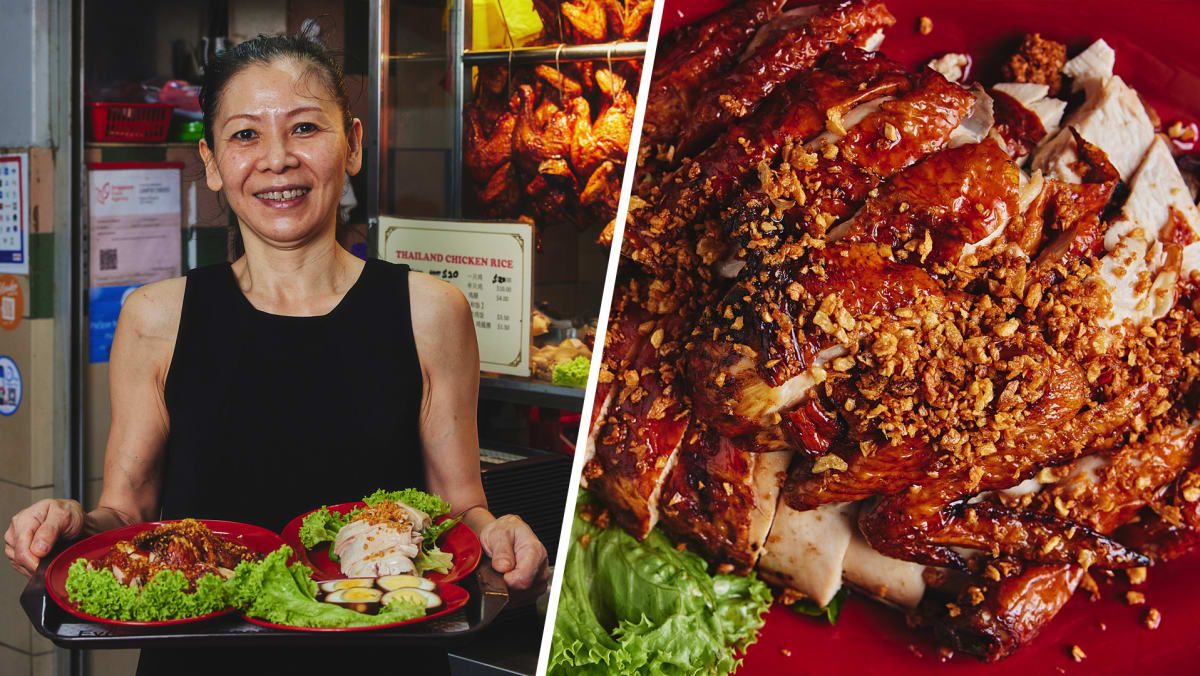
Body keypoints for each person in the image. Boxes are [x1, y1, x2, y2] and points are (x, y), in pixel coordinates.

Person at [5, 34, 548, 672]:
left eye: (305, 127)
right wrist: (74, 524)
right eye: (244, 136)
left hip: (384, 652)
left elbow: (458, 507)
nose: (277, 159)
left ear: (353, 144)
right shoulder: (156, 315)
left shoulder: (431, 311)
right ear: (210, 162)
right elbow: (128, 511)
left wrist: (497, 534)